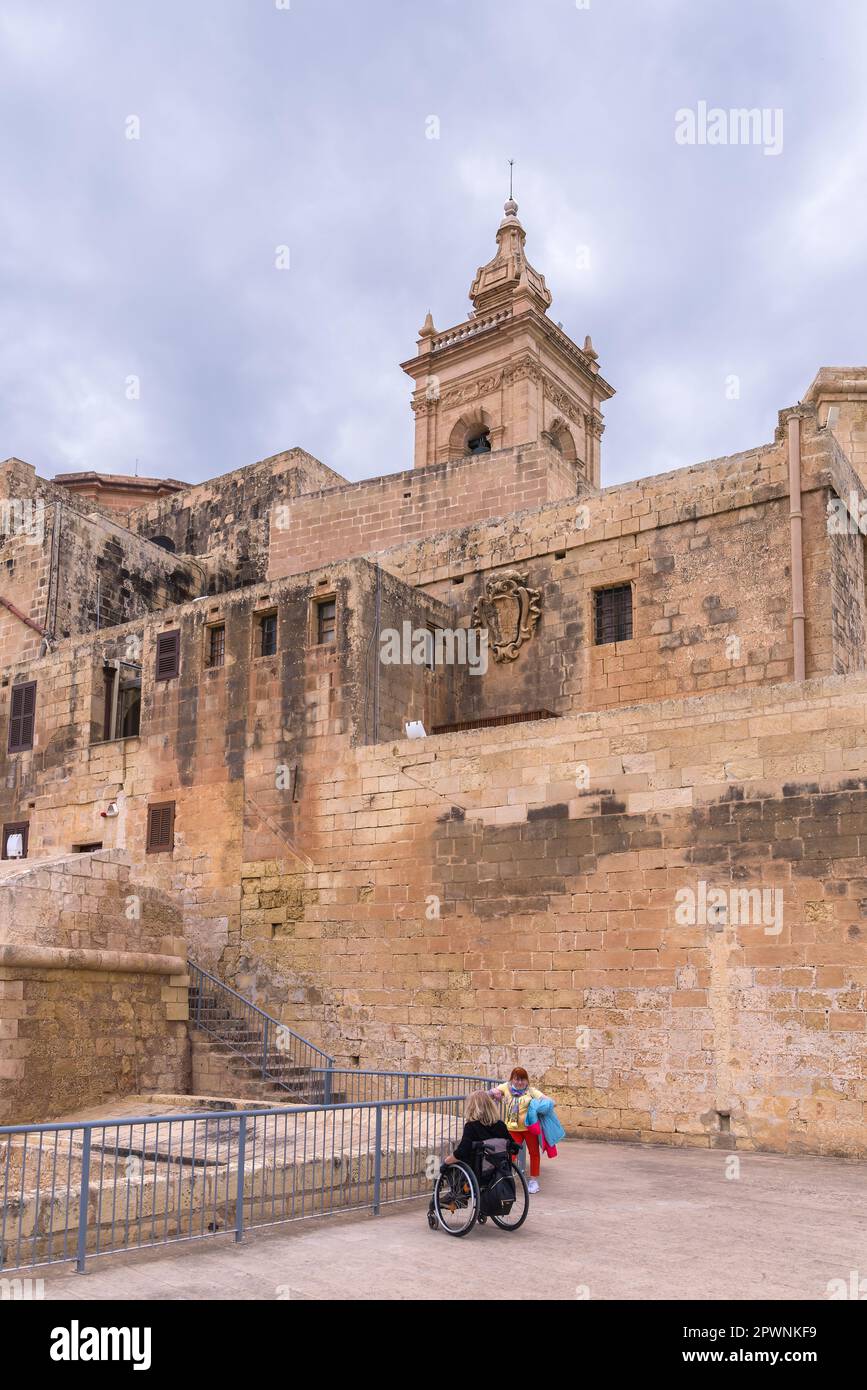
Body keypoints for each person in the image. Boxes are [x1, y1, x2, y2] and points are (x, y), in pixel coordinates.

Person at [490, 1067, 549, 1194]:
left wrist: (538, 1106)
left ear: (527, 1081)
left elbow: (547, 1100)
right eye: (517, 1079)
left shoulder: (531, 1091)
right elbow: (491, 1092)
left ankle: (533, 1181)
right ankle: (505, 1179)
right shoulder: (506, 1087)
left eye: (522, 1079)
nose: (519, 1082)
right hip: (512, 1129)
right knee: (510, 1154)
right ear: (512, 1079)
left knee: (534, 1153)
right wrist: (495, 1092)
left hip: (529, 1129)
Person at [444, 1089, 512, 1166]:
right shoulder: (500, 1125)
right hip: (499, 1169)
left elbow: (462, 1151)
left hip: (478, 1170)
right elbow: (513, 1147)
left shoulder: (471, 1127)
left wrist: (446, 1161)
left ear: (471, 1107)